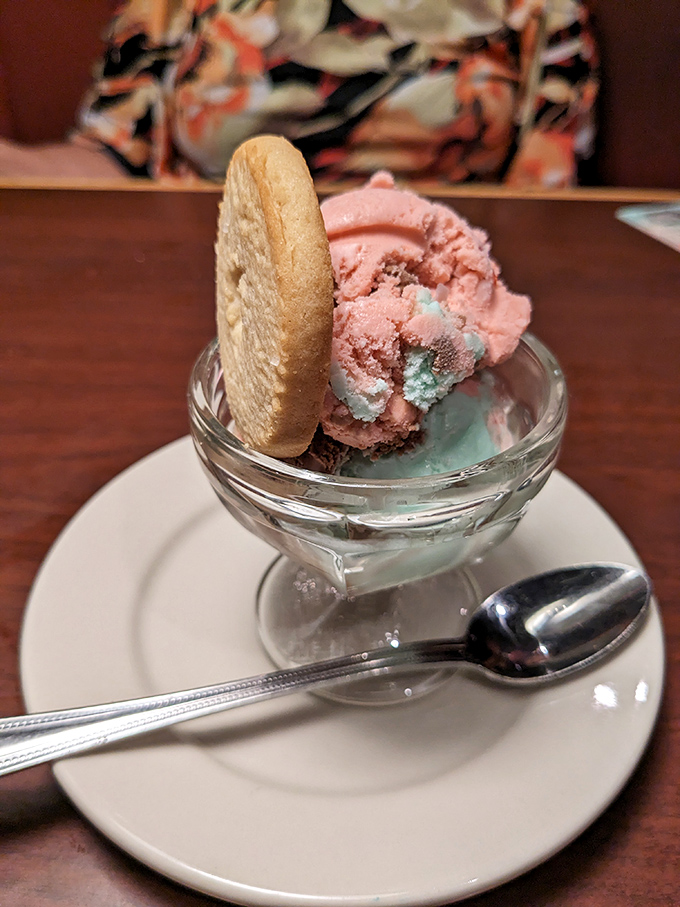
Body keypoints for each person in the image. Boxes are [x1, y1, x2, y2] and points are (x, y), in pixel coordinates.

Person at [0, 0, 599, 187]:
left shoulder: (534, 8)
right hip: (216, 276)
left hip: (434, 288)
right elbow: (110, 155)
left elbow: (546, 199)